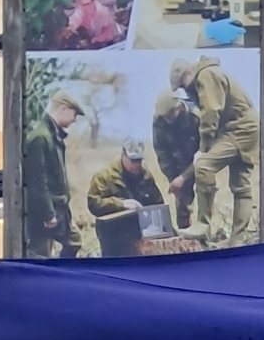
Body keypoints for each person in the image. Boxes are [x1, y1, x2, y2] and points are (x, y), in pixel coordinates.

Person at [170, 57, 257, 248]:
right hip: (245, 128)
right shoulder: (211, 73)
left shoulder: (206, 75)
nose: (186, 90)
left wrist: (204, 148)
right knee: (241, 185)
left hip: (239, 129)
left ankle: (203, 225)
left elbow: (211, 113)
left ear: (188, 74)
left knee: (204, 166)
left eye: (183, 85)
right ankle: (237, 240)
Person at [23, 92, 82, 259]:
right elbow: (37, 181)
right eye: (74, 114)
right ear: (63, 109)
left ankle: (62, 271)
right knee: (41, 254)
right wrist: (48, 214)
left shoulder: (51, 136)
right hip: (45, 211)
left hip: (59, 208)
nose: (74, 120)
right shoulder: (41, 137)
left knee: (74, 240)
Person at [84, 141, 164, 258]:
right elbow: (94, 204)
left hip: (141, 230)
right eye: (132, 160)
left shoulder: (146, 176)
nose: (136, 165)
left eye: (139, 161)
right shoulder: (105, 177)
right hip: (114, 232)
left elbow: (158, 204)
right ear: (123, 156)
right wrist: (121, 204)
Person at [150, 89, 199, 230]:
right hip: (178, 162)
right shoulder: (159, 120)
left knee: (206, 192)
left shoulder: (196, 117)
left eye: (169, 115)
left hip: (200, 160)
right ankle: (184, 233)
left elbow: (205, 152)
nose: (166, 119)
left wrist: (184, 177)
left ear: (178, 108)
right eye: (164, 116)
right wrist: (173, 179)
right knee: (182, 202)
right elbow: (162, 152)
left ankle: (205, 232)